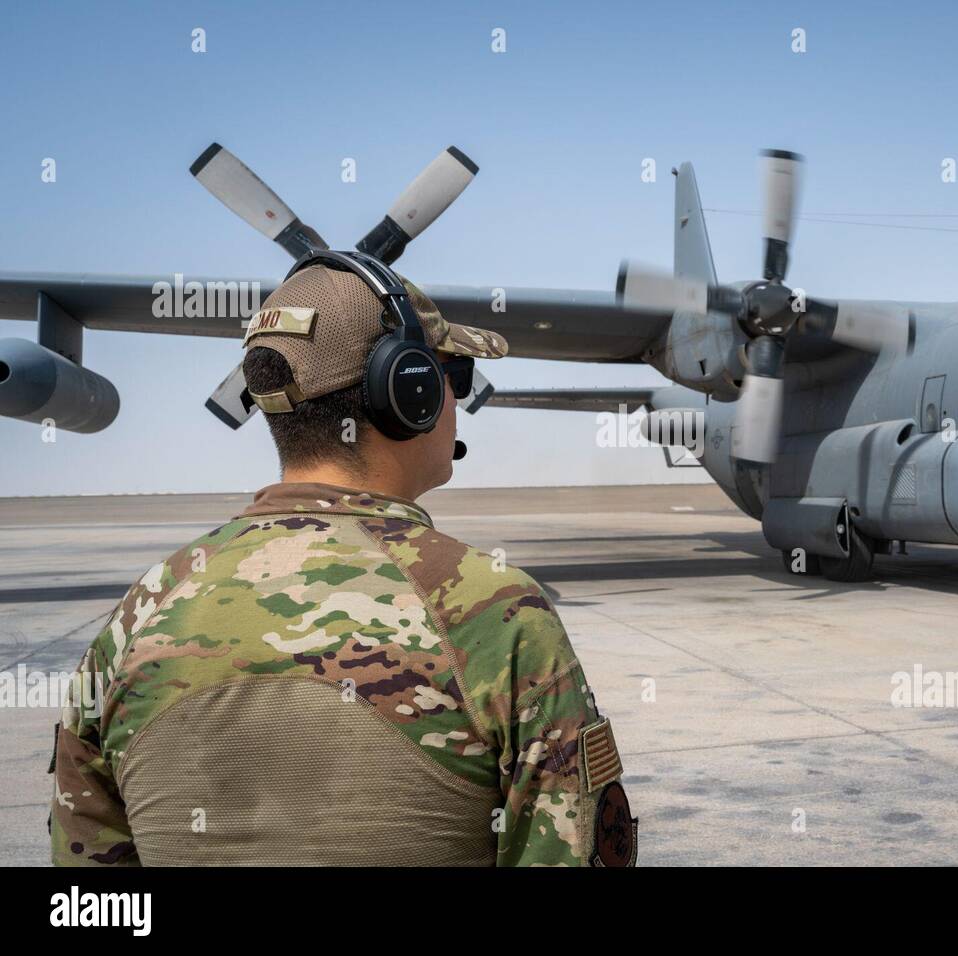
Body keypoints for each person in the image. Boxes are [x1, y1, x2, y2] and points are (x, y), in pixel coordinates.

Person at [49, 251, 636, 867]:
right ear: (409, 390)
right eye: (452, 374)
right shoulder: (497, 612)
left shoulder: (140, 612)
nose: (457, 398)